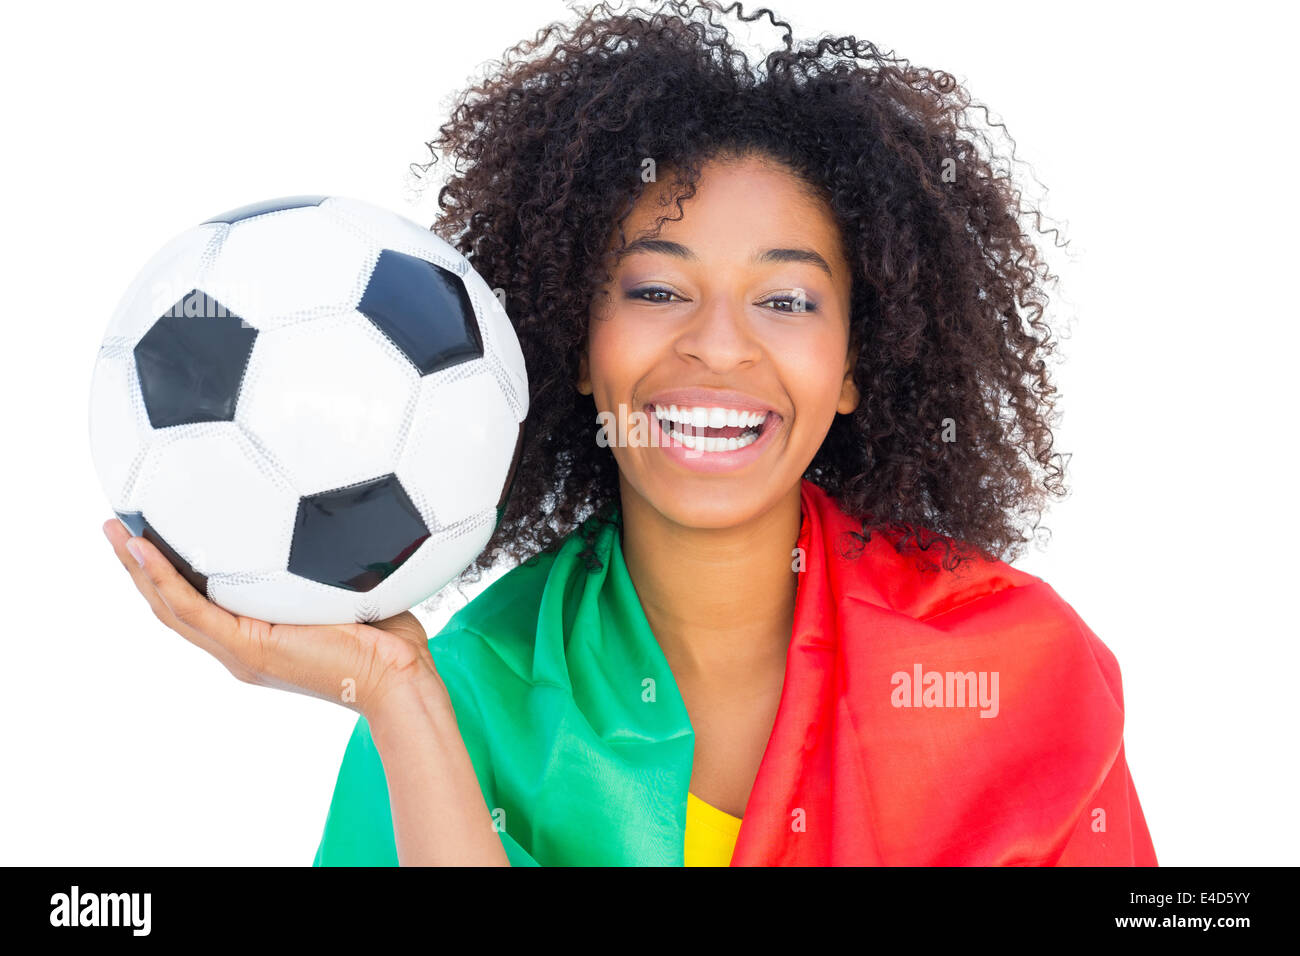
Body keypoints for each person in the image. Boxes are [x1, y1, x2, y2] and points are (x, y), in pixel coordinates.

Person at [101, 0, 1157, 866]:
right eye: (656, 288)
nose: (718, 348)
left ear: (852, 368)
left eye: (786, 302)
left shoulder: (1019, 669)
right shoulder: (461, 694)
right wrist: (397, 695)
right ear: (570, 337)